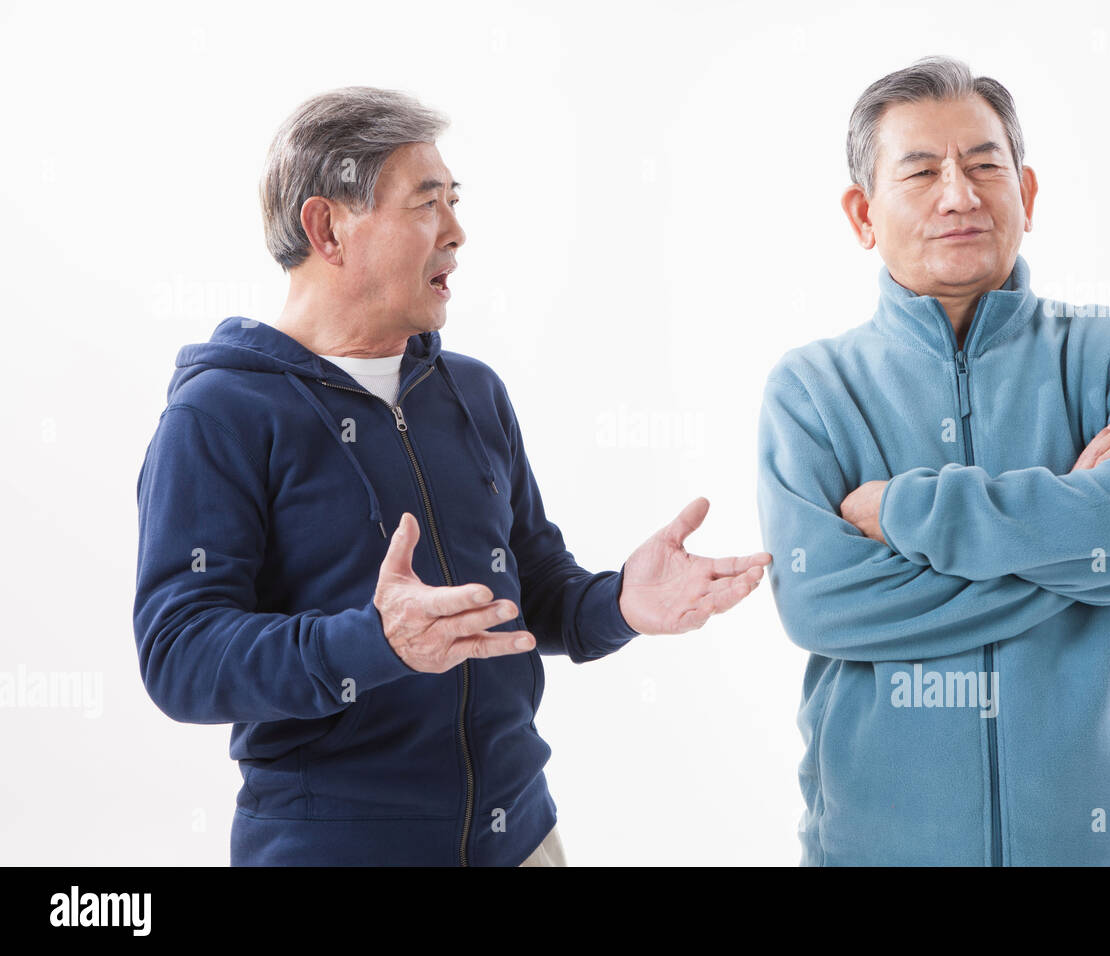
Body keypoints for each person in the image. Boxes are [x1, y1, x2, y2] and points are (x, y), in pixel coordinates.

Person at [134, 86, 771, 866]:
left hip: (524, 839)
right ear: (327, 226)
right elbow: (179, 654)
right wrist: (373, 644)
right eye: (426, 203)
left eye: (454, 201)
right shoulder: (219, 414)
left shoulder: (471, 392)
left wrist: (620, 603)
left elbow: (530, 595)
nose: (457, 233)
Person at [755, 55, 1110, 865]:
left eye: (985, 165)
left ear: (1026, 195)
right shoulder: (812, 389)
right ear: (862, 215)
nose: (959, 195)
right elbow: (821, 603)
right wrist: (1073, 519)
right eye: (921, 171)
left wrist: (904, 514)